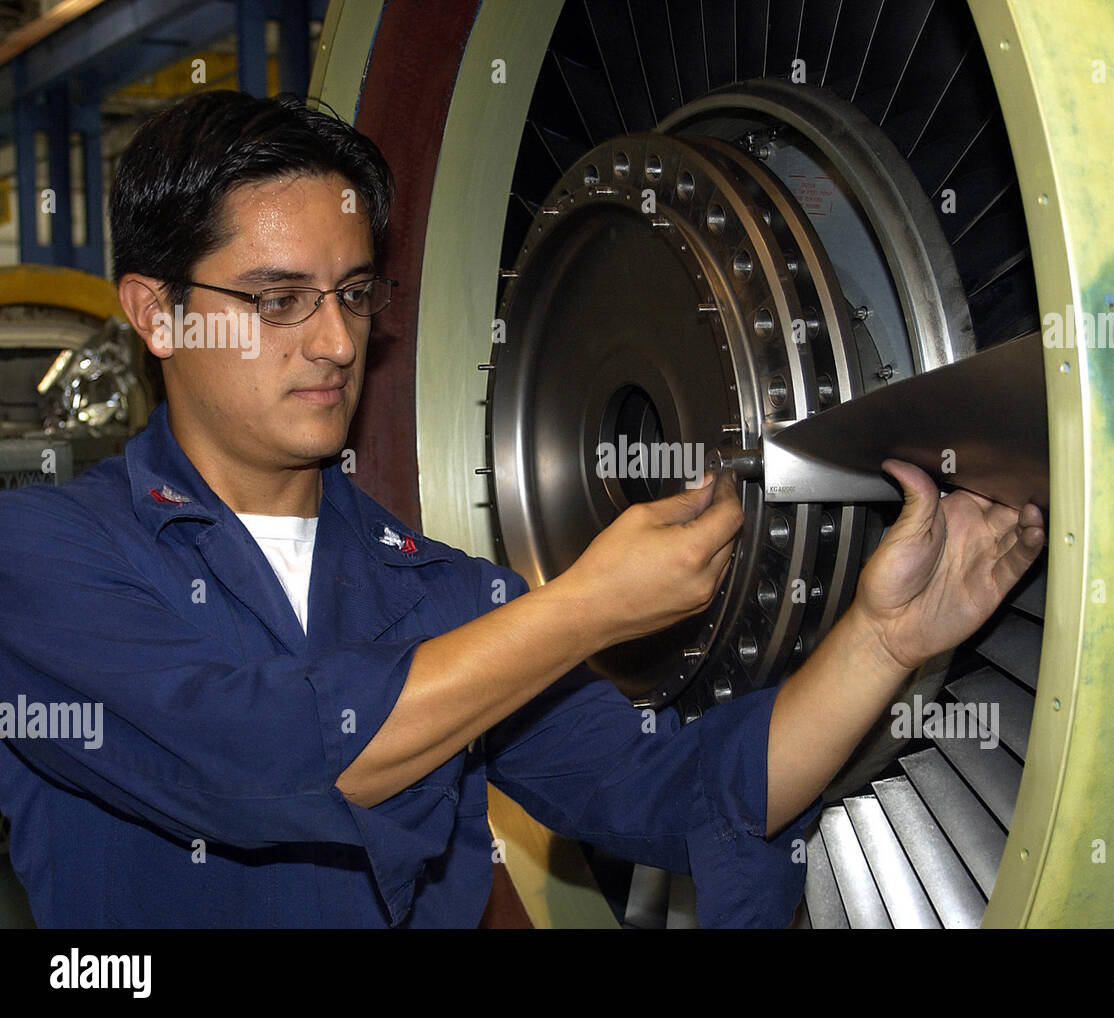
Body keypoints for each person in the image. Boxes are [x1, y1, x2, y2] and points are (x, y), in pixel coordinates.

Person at [0, 91, 1044, 928]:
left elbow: (676, 796)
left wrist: (883, 634)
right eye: (276, 301)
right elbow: (260, 760)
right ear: (157, 314)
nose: (333, 344)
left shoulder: (445, 594)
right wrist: (581, 609)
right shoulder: (46, 558)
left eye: (356, 296)